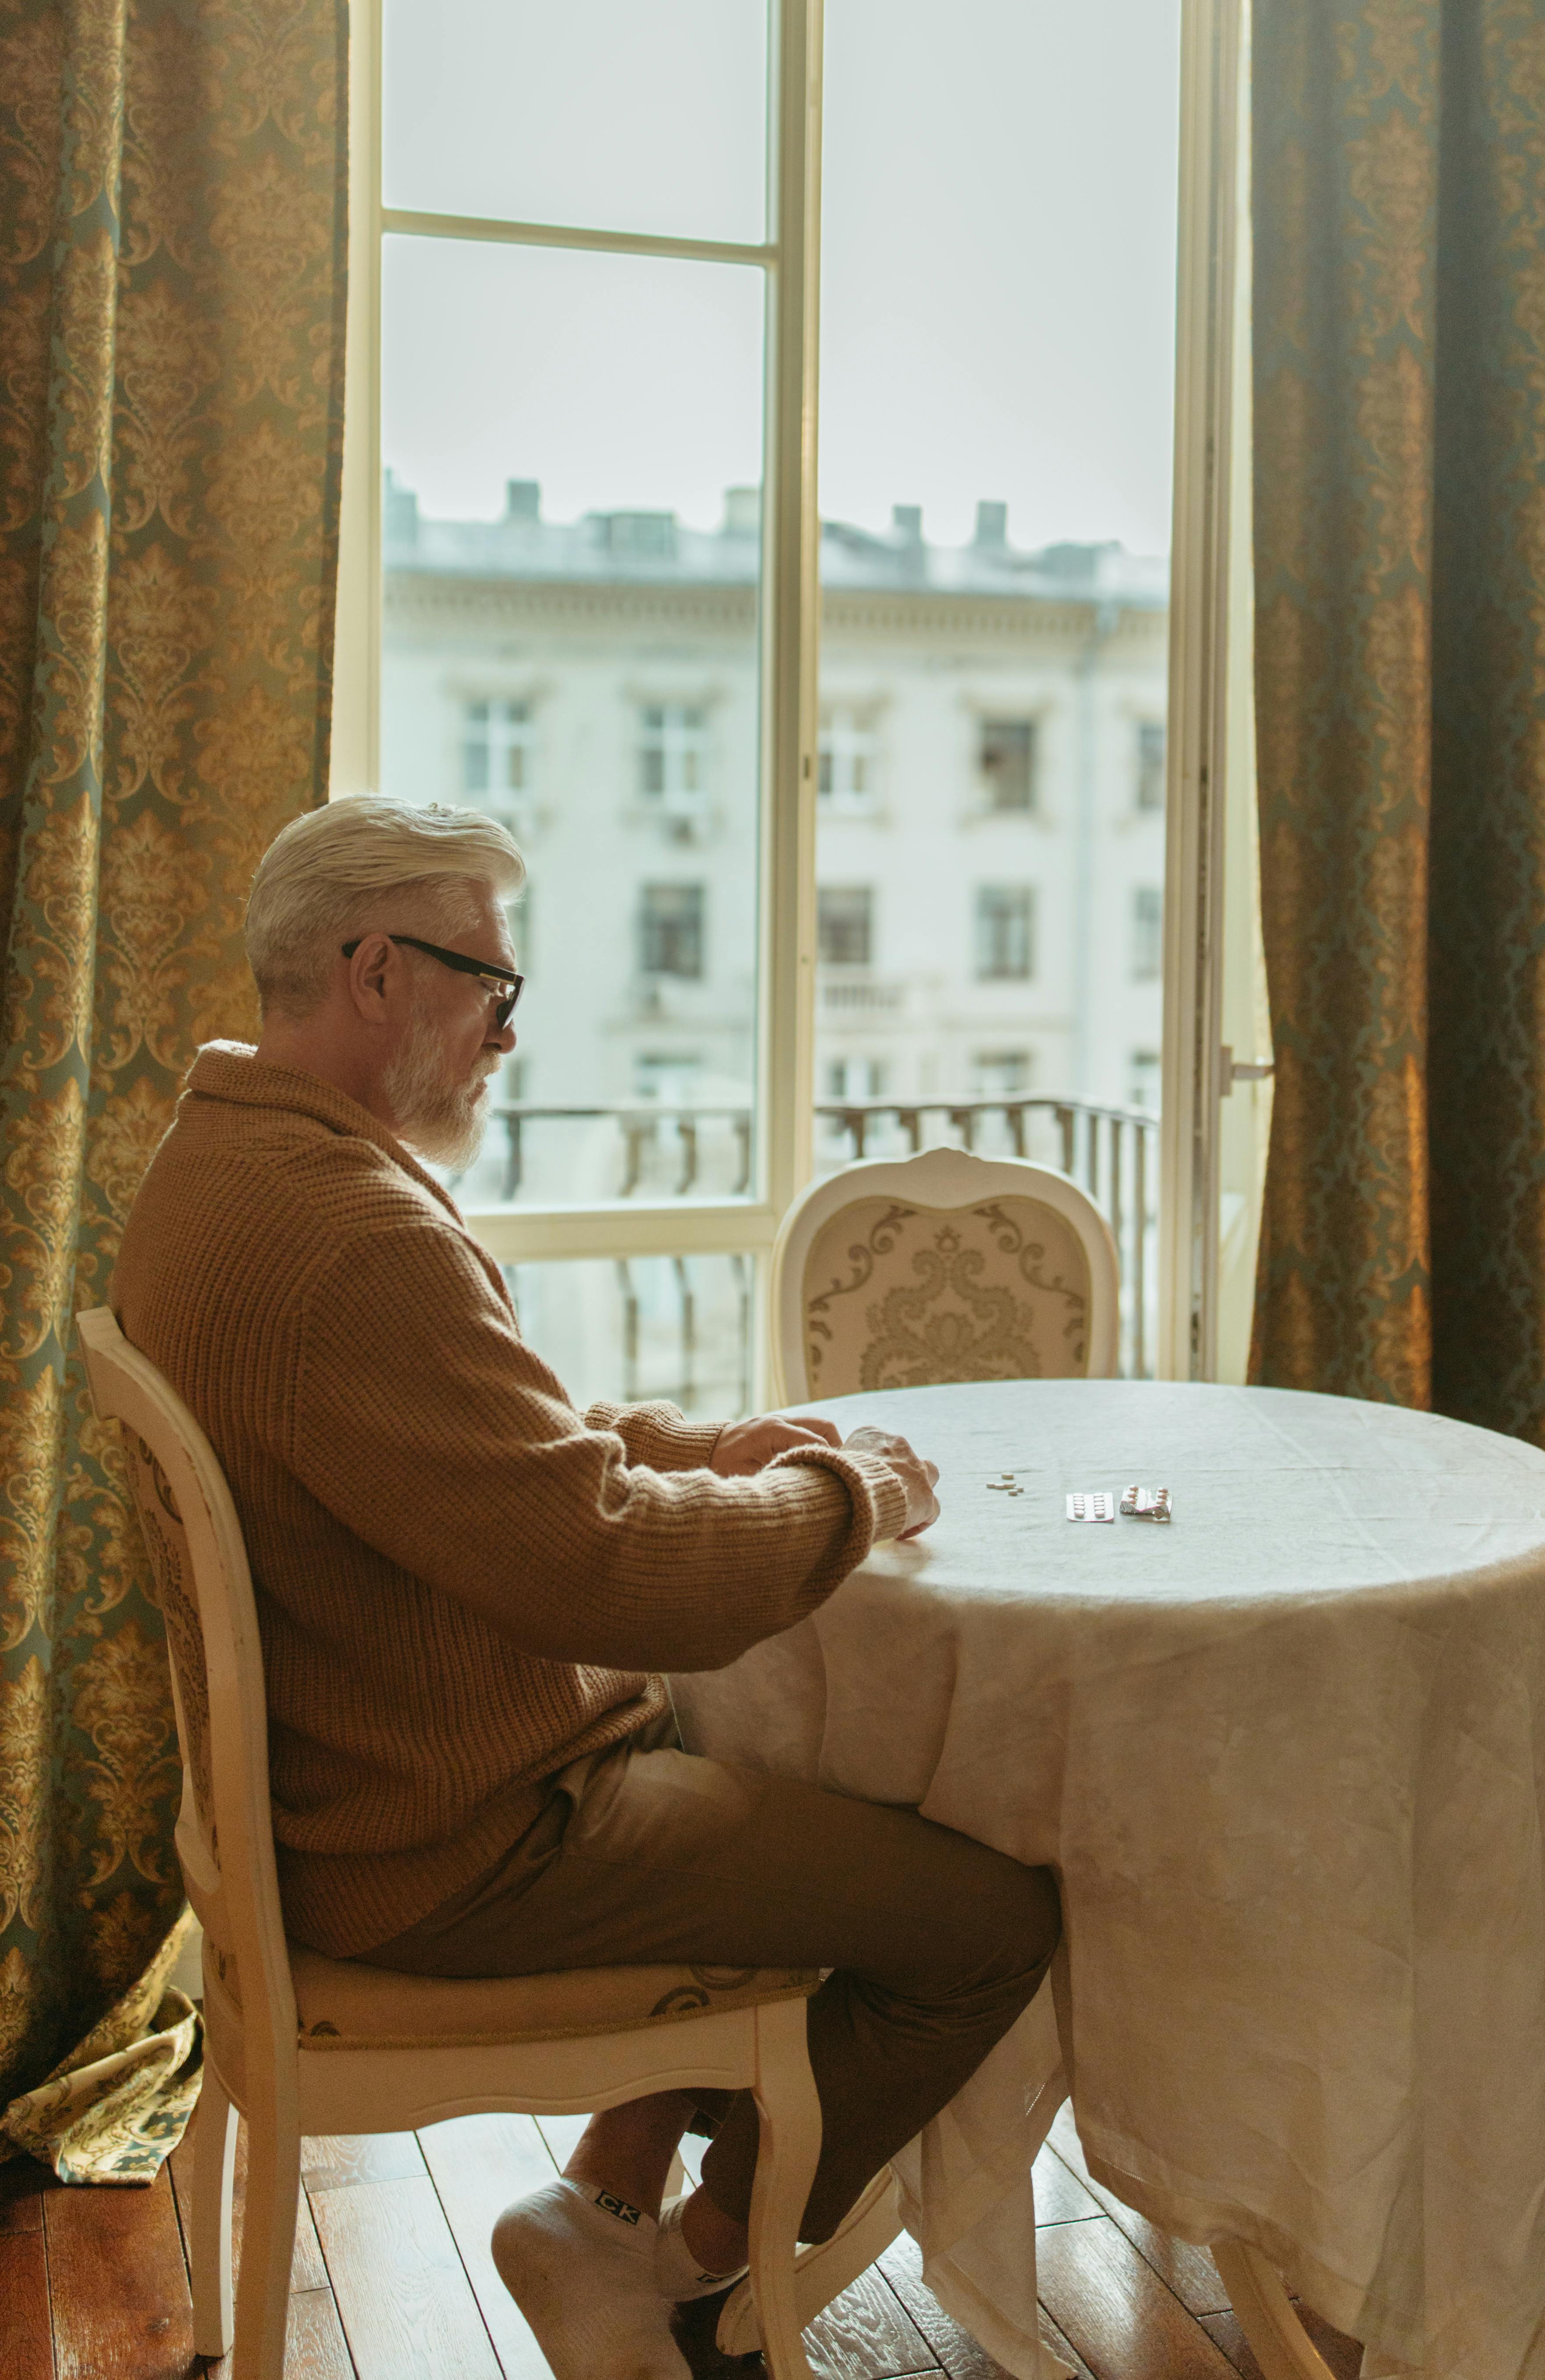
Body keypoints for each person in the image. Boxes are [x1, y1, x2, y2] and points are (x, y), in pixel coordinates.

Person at [113, 795, 1060, 2380]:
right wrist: (853, 1492)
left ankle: (606, 2197)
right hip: (454, 1845)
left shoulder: (226, 1160)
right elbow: (610, 1575)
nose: (506, 1031)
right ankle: (692, 2271)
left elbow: (497, 1449)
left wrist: (712, 1449)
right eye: (491, 982)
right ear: (373, 971)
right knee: (987, 1924)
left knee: (778, 1751)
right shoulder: (351, 1232)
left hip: (353, 1795)